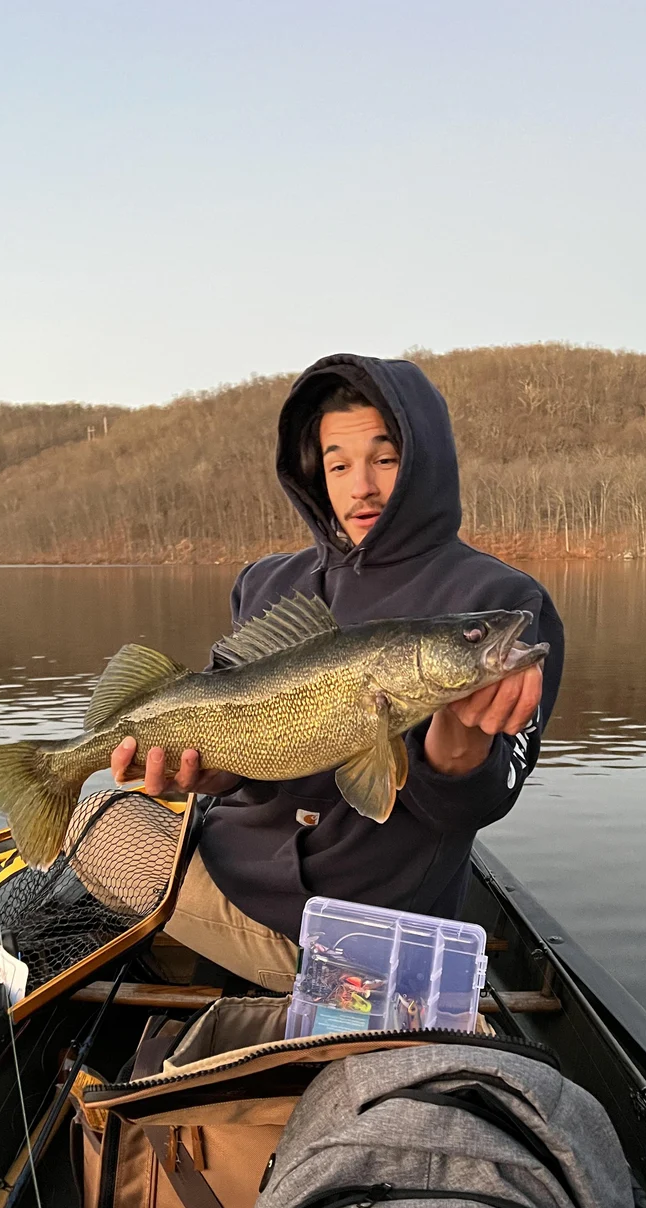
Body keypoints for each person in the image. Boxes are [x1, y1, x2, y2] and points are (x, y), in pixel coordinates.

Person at [111, 354, 564, 991]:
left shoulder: (501, 598)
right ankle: (217, 961)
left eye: (385, 458)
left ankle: (250, 969)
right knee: (100, 814)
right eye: (338, 464)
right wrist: (208, 774)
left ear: (425, 464)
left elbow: (473, 806)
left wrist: (459, 751)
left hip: (360, 934)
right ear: (314, 473)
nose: (362, 488)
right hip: (234, 867)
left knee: (99, 845)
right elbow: (235, 752)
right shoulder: (268, 582)